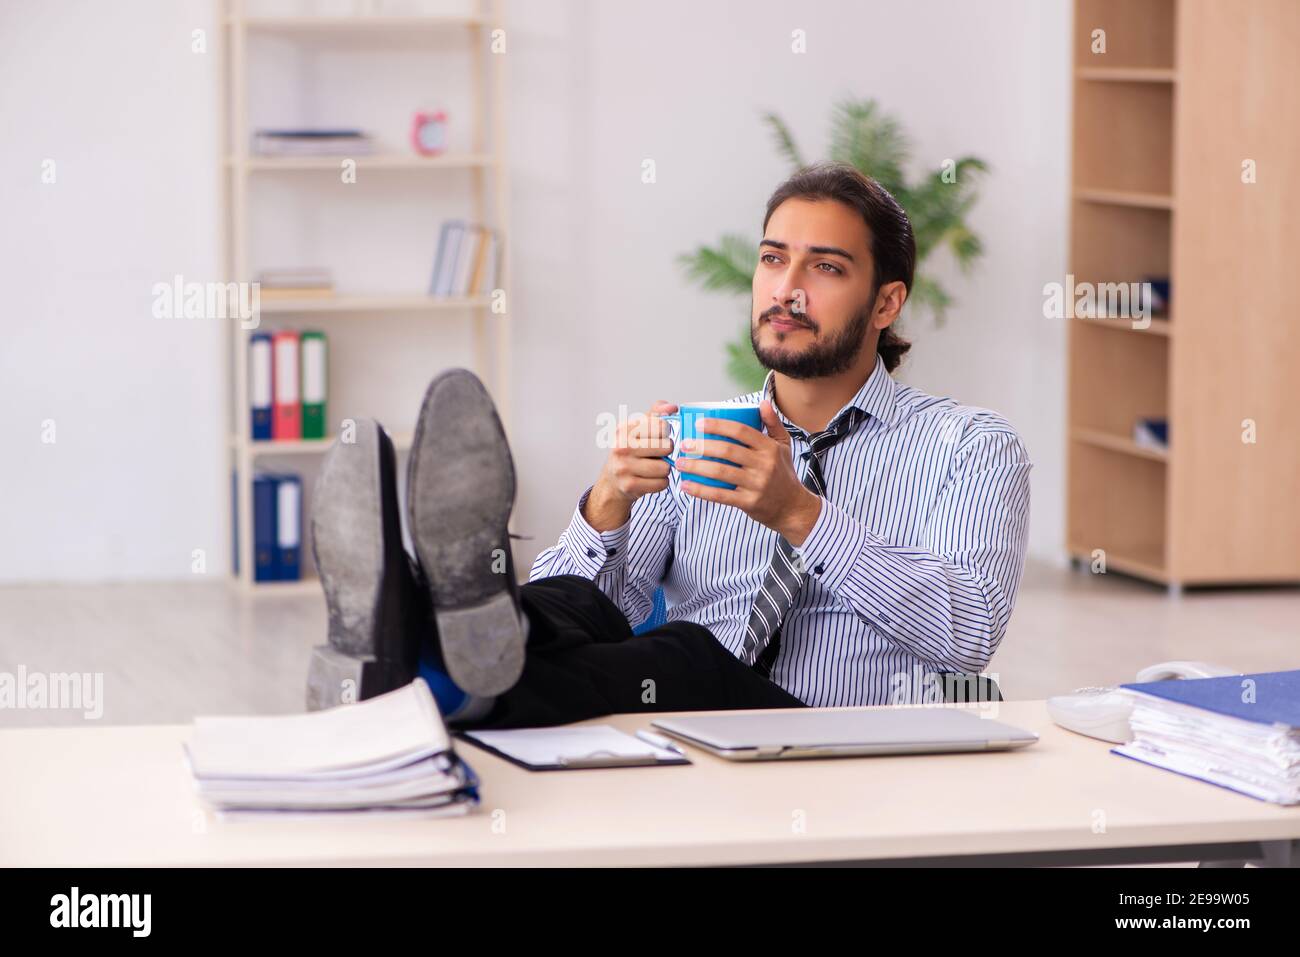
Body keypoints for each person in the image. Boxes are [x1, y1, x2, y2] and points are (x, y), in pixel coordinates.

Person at [306, 162, 1032, 730]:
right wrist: (608, 505)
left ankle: (408, 664)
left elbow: (965, 633)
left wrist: (799, 514)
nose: (788, 289)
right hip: (689, 741)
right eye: (774, 259)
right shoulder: (702, 431)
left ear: (886, 303)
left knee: (686, 653)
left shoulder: (969, 446)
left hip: (848, 743)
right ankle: (419, 632)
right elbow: (594, 610)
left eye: (826, 267)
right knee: (569, 616)